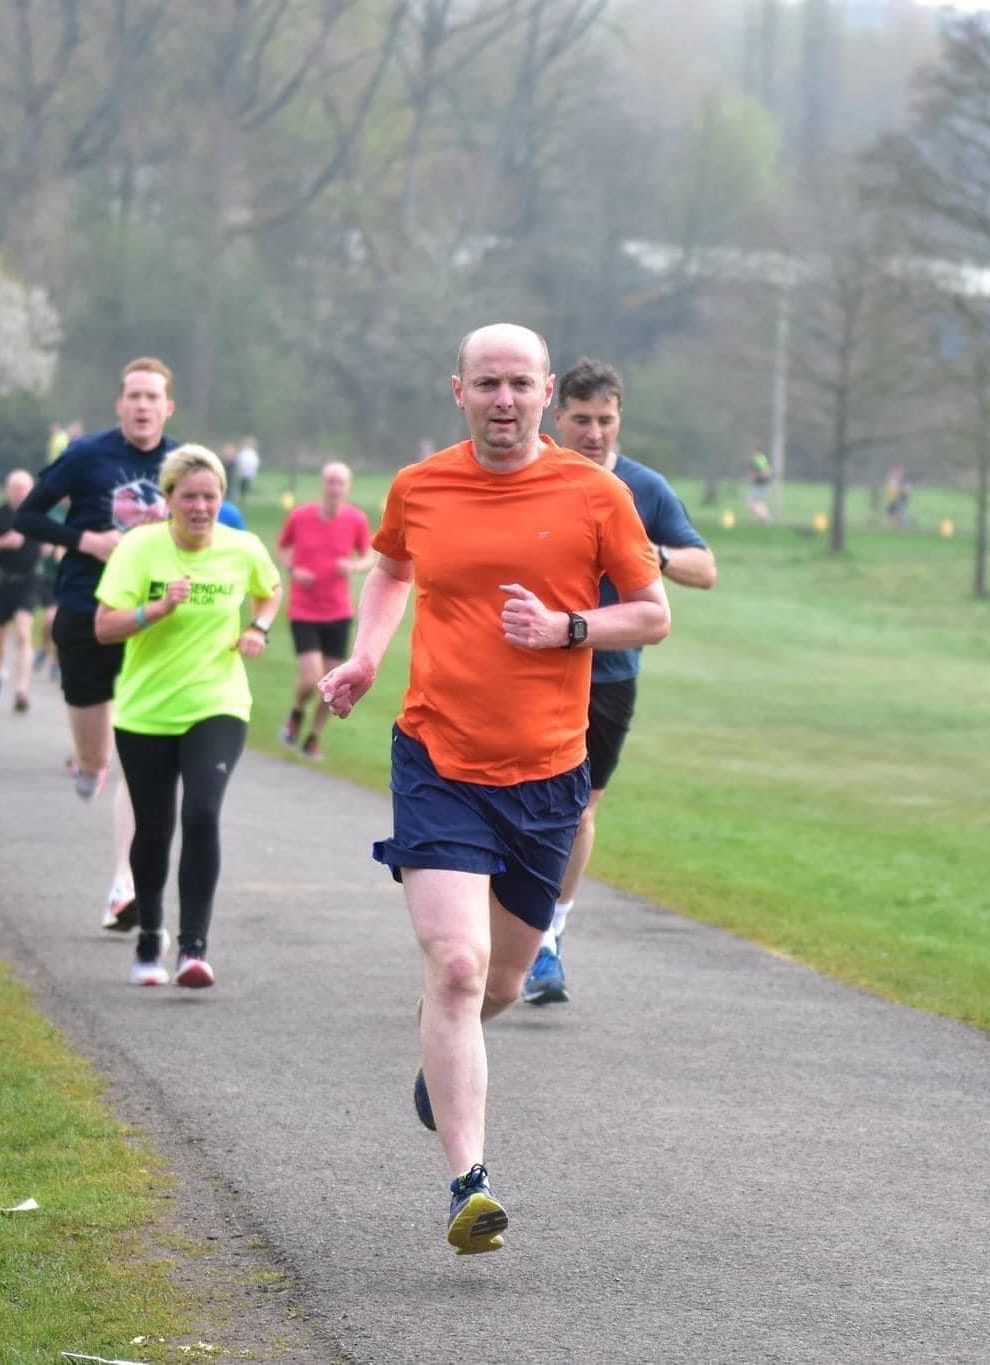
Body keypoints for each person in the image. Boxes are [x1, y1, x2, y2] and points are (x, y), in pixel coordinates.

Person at [317, 323, 669, 1255]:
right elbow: (390, 569)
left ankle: (443, 1049)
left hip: (548, 775)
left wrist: (568, 628)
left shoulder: (595, 494)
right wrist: (366, 656)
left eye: (520, 383)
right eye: (487, 384)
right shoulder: (420, 486)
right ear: (459, 391)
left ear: (547, 392)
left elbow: (653, 614)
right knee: (457, 965)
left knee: (502, 982)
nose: (503, 400)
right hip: (437, 759)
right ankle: (468, 1185)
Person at [522, 359, 717, 1007]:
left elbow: (705, 568)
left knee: (579, 808)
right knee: (515, 799)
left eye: (605, 420)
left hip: (608, 671)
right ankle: (506, 921)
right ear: (558, 416)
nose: (594, 432)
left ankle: (548, 937)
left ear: (619, 419)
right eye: (581, 419)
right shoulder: (534, 474)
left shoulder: (643, 488)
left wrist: (649, 553)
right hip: (534, 663)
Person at [95, 444, 281, 987]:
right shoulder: (139, 548)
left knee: (201, 815)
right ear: (169, 499)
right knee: (153, 830)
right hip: (146, 710)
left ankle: (193, 950)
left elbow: (269, 591)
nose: (201, 507)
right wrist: (155, 609)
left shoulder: (242, 547)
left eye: (211, 496)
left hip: (217, 702)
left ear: (222, 498)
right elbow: (104, 627)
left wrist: (258, 628)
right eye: (190, 497)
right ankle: (150, 938)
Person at [15, 357, 177, 931]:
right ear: (120, 404)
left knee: (139, 759)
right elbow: (27, 517)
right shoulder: (86, 456)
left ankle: (123, 886)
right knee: (96, 757)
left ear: (168, 407)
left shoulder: (182, 465)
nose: (142, 405)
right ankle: (87, 767)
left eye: (152, 397)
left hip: (152, 622)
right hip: (87, 610)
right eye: (134, 395)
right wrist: (87, 540)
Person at [274, 460, 372, 760]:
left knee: (334, 685)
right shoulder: (300, 516)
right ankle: (296, 712)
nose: (334, 488)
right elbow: (281, 548)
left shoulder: (356, 519)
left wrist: (353, 566)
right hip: (303, 610)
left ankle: (312, 738)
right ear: (322, 485)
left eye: (340, 482)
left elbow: (368, 555)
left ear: (348, 487)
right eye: (330, 481)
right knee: (311, 678)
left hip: (338, 611)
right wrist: (293, 570)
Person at [0, 469, 44, 713]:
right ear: (8, 490)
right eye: (15, 488)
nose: (19, 493)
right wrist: (2, 542)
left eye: (23, 488)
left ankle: (21, 690)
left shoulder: (37, 513)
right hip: (3, 580)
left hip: (28, 581)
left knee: (24, 633)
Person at [745, 450, 774, 524]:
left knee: (752, 502)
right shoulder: (759, 460)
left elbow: (766, 473)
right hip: (760, 484)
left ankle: (767, 519)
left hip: (761, 485)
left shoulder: (759, 460)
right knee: (755, 502)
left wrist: (755, 476)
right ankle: (765, 519)